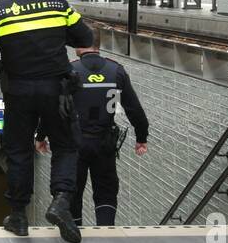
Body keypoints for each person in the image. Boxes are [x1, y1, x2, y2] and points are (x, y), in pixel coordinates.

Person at [0, 0, 92, 243]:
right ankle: (61, 199)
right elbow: (85, 38)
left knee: (18, 151)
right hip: (57, 89)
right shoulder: (57, 2)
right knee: (65, 146)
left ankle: (18, 216)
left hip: (19, 90)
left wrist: (1, 69)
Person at [38, 24, 148, 226]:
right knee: (106, 191)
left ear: (79, 43)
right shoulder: (116, 71)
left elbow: (53, 108)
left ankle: (75, 229)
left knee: (73, 192)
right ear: (99, 44)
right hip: (105, 143)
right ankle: (105, 232)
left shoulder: (69, 70)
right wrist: (142, 138)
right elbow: (134, 109)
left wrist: (40, 136)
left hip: (74, 144)